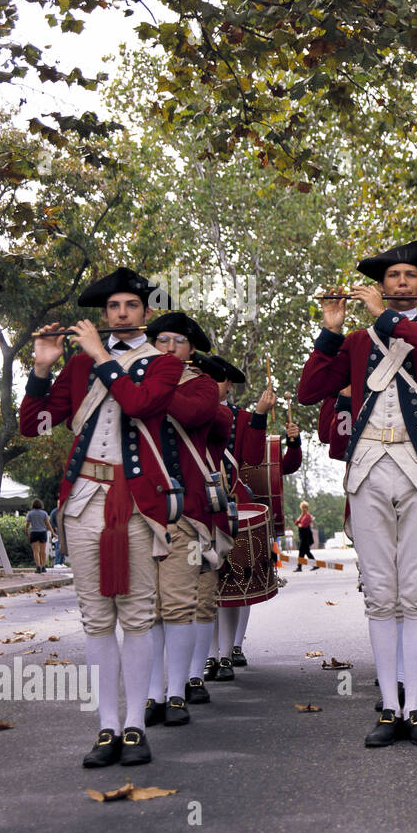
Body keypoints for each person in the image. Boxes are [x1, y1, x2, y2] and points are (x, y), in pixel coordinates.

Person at [21, 267, 183, 767]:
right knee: (95, 618)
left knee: (136, 615)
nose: (120, 314)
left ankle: (135, 724)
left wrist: (98, 357)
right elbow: (34, 425)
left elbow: (139, 404)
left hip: (137, 503)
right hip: (86, 498)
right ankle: (106, 727)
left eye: (130, 306)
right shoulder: (77, 367)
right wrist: (44, 369)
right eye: (113, 307)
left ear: (146, 313)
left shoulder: (164, 364)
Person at [298, 240, 417, 746]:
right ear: (382, 285)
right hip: (367, 467)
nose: (401, 282)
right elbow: (309, 390)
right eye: (393, 276)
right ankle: (389, 707)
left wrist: (381, 319)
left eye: (410, 275)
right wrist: (330, 328)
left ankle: (414, 705)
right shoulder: (357, 343)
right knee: (381, 595)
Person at [141, 312, 223, 730]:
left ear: (192, 350)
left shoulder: (204, 385)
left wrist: (157, 383)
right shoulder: (135, 381)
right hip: (141, 509)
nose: (168, 348)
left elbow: (192, 416)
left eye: (177, 342)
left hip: (187, 512)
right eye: (160, 341)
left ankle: (177, 693)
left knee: (177, 604)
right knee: (148, 610)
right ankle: (153, 694)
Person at [206, 354, 275, 678]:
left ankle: (227, 652)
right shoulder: (184, 411)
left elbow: (251, 456)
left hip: (230, 500)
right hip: (195, 505)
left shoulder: (242, 417)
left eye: (217, 380)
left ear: (228, 386)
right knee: (202, 584)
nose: (209, 385)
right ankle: (207, 655)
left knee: (231, 580)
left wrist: (259, 417)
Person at [25, 499, 51, 573]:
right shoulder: (44, 513)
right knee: (43, 551)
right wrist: (52, 532)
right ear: (40, 505)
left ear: (33, 505)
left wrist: (26, 529)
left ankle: (38, 567)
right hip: (42, 532)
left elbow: (27, 523)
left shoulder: (30, 513)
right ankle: (43, 567)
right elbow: (48, 524)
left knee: (36, 551)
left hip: (34, 532)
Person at [294, 501, 315, 571]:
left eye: (305, 507)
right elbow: (296, 523)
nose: (303, 509)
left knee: (303, 552)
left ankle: (300, 567)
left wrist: (300, 525)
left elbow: (303, 525)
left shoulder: (308, 516)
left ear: (307, 508)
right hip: (302, 536)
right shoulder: (302, 515)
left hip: (305, 537)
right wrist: (300, 517)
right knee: (304, 552)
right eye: (302, 507)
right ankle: (300, 567)